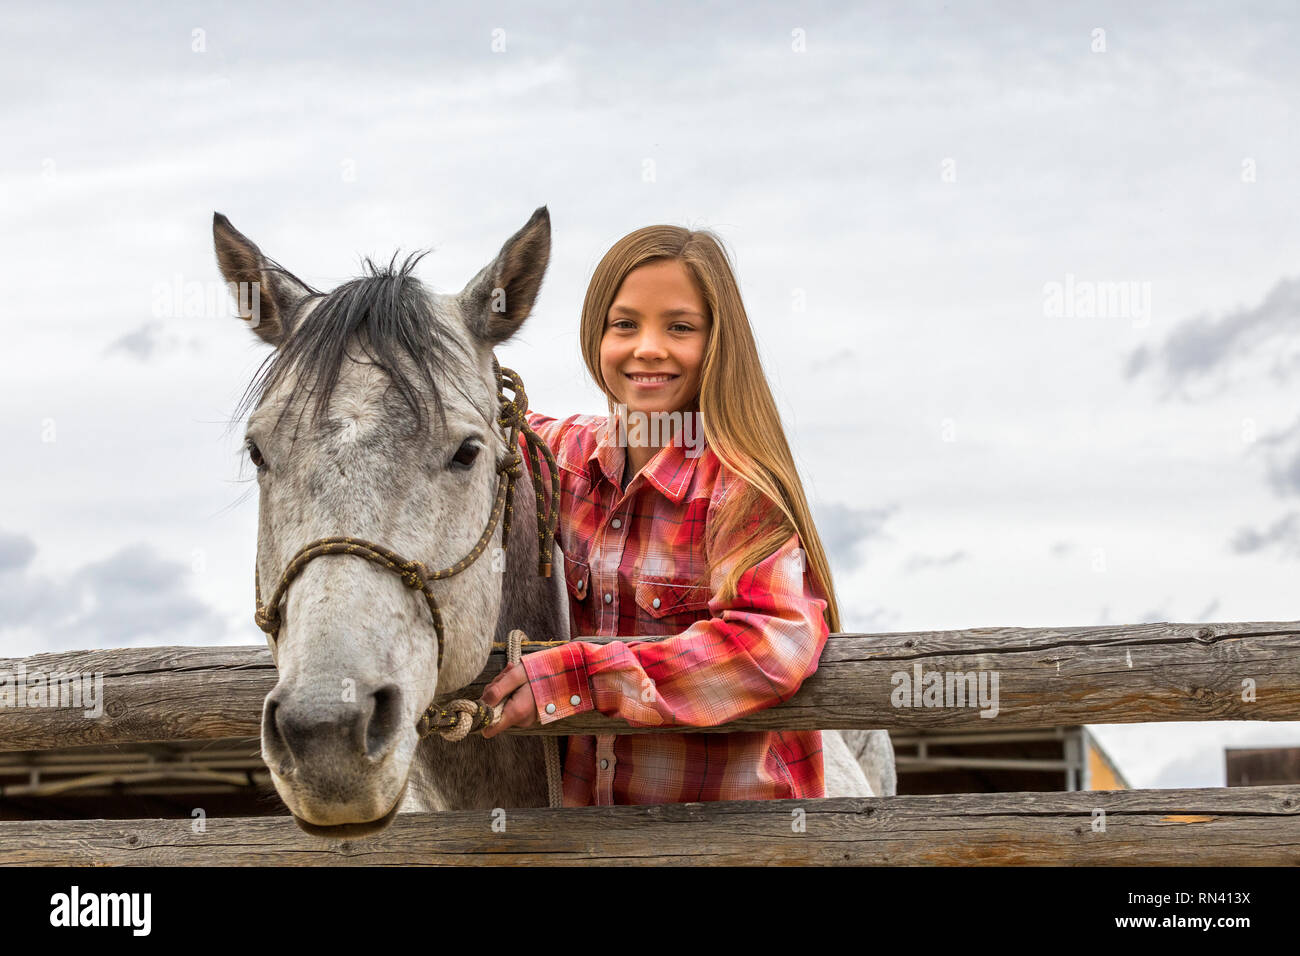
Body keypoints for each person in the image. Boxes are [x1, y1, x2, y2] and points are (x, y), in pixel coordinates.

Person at [480, 224, 843, 807]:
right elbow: (475, 431)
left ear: (716, 342)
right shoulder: (563, 462)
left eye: (679, 327)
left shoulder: (739, 487)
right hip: (593, 836)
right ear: (595, 335)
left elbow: (769, 644)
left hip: (733, 842)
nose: (648, 347)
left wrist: (580, 677)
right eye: (625, 324)